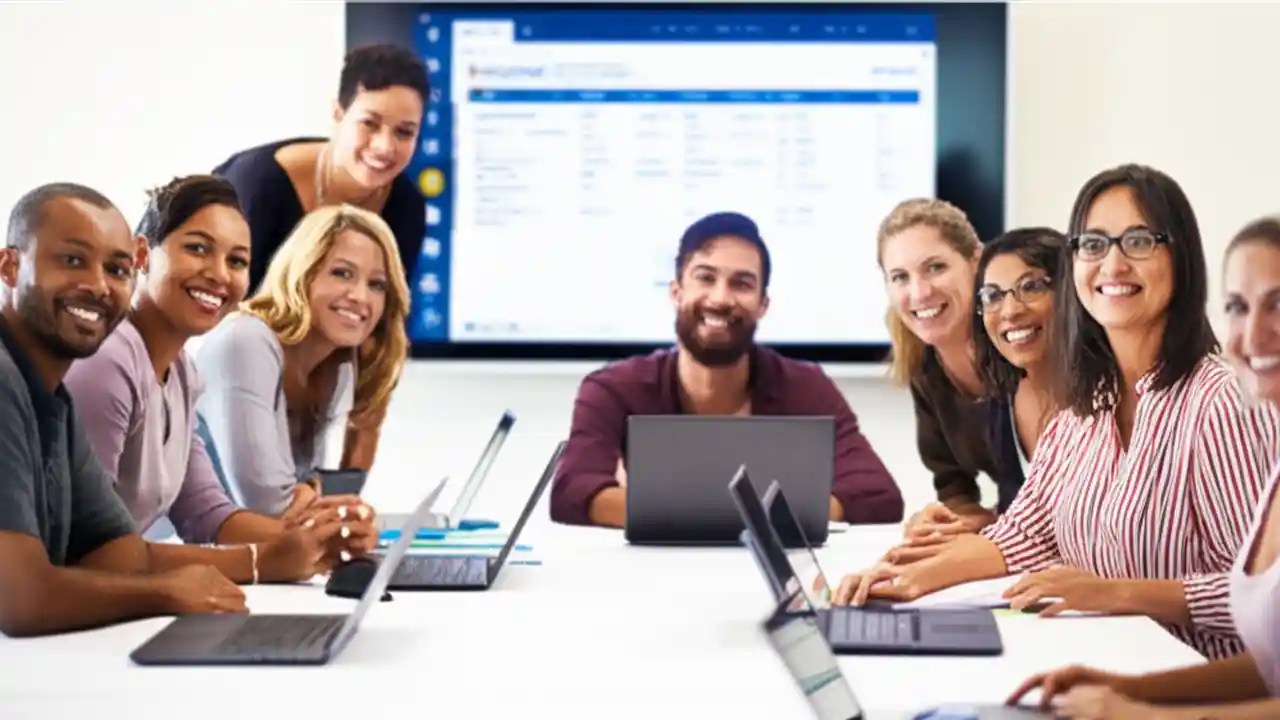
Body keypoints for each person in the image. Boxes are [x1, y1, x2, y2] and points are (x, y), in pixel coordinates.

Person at [833, 164, 1280, 662]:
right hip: (1105, 661)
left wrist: (1113, 592)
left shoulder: (1222, 402)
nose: (1112, 265)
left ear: (1182, 259)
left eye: (1137, 241)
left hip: (1203, 682)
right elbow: (1019, 536)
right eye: (1093, 244)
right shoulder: (1083, 408)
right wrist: (899, 582)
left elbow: (1257, 597)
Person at [0, 183, 346, 637]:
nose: (99, 286)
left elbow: (116, 553)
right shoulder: (18, 378)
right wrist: (166, 591)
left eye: (116, 269)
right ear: (10, 266)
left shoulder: (53, 396)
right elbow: (20, 600)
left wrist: (286, 551)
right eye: (72, 260)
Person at [1002, 215, 1280, 720]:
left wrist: (1144, 715)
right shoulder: (1277, 471)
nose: (1252, 333)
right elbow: (1272, 666)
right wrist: (1133, 691)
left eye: (1279, 304)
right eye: (1238, 307)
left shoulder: (1219, 403)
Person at [63, 175, 377, 559]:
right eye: (197, 248)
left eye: (237, 261)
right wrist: (260, 562)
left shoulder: (180, 373)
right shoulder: (108, 359)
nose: (219, 274)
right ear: (141, 256)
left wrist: (320, 542)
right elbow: (91, 547)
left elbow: (207, 516)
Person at [549, 211, 902, 528]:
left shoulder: (805, 386)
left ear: (763, 304)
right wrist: (756, 517)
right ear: (676, 292)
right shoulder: (613, 388)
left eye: (742, 283)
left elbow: (877, 494)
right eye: (705, 278)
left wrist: (676, 513)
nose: (720, 298)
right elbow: (572, 492)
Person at [195, 203, 410, 517]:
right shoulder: (246, 342)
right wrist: (314, 492)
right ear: (303, 273)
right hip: (171, 554)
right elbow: (268, 505)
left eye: (377, 285)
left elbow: (307, 498)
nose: (361, 297)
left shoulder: (334, 363)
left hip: (253, 557)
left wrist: (376, 383)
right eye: (342, 274)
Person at [879, 201, 1049, 538]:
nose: (920, 292)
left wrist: (986, 526)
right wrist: (949, 522)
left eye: (935, 267)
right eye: (900, 277)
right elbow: (954, 487)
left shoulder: (1021, 342)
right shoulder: (925, 366)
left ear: (977, 262)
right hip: (1020, 545)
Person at [214, 43, 427, 293]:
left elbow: (388, 320)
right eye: (370, 123)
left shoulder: (406, 207)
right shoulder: (257, 185)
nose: (385, 147)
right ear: (338, 114)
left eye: (404, 132)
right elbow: (218, 308)